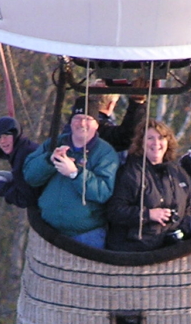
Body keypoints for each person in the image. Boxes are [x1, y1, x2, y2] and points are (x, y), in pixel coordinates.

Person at [22, 106, 119, 248]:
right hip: (49, 234)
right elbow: (30, 177)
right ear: (71, 122)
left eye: (88, 119)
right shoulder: (53, 143)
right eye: (77, 118)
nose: (82, 123)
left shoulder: (105, 153)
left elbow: (103, 192)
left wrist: (75, 174)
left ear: (97, 124)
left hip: (88, 236)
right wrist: (49, 160)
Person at [105, 119, 191, 252]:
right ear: (141, 143)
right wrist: (148, 214)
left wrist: (181, 232)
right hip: (133, 251)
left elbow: (189, 208)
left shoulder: (177, 172)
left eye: (161, 138)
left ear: (168, 142)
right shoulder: (130, 172)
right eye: (150, 138)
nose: (156, 143)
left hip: (169, 250)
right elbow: (114, 211)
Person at [70, 82, 148, 152]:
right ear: (110, 105)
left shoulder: (74, 123)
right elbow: (127, 137)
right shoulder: (99, 130)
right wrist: (137, 103)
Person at [0, 116, 38, 208]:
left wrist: (1, 188)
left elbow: (27, 199)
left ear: (16, 135)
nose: (2, 141)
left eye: (6, 135)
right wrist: (13, 179)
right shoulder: (24, 150)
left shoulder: (23, 155)